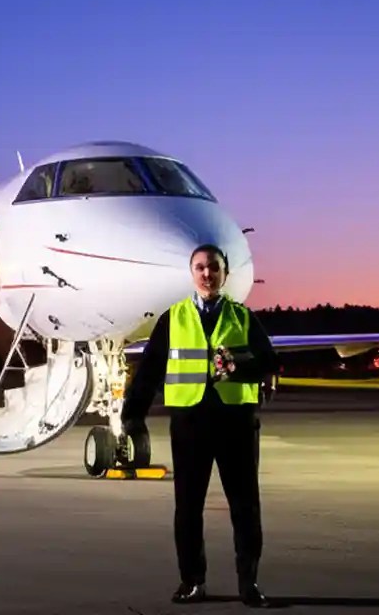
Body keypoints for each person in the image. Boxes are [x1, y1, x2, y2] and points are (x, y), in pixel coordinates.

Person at [120, 243, 280, 607]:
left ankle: (248, 584)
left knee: (245, 507)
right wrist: (133, 415)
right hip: (190, 425)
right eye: (201, 267)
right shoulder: (172, 319)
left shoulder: (242, 317)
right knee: (188, 508)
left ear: (224, 274)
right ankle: (192, 581)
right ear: (192, 273)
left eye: (214, 268)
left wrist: (240, 364)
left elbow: (270, 362)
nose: (208, 274)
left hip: (236, 425)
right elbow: (149, 372)